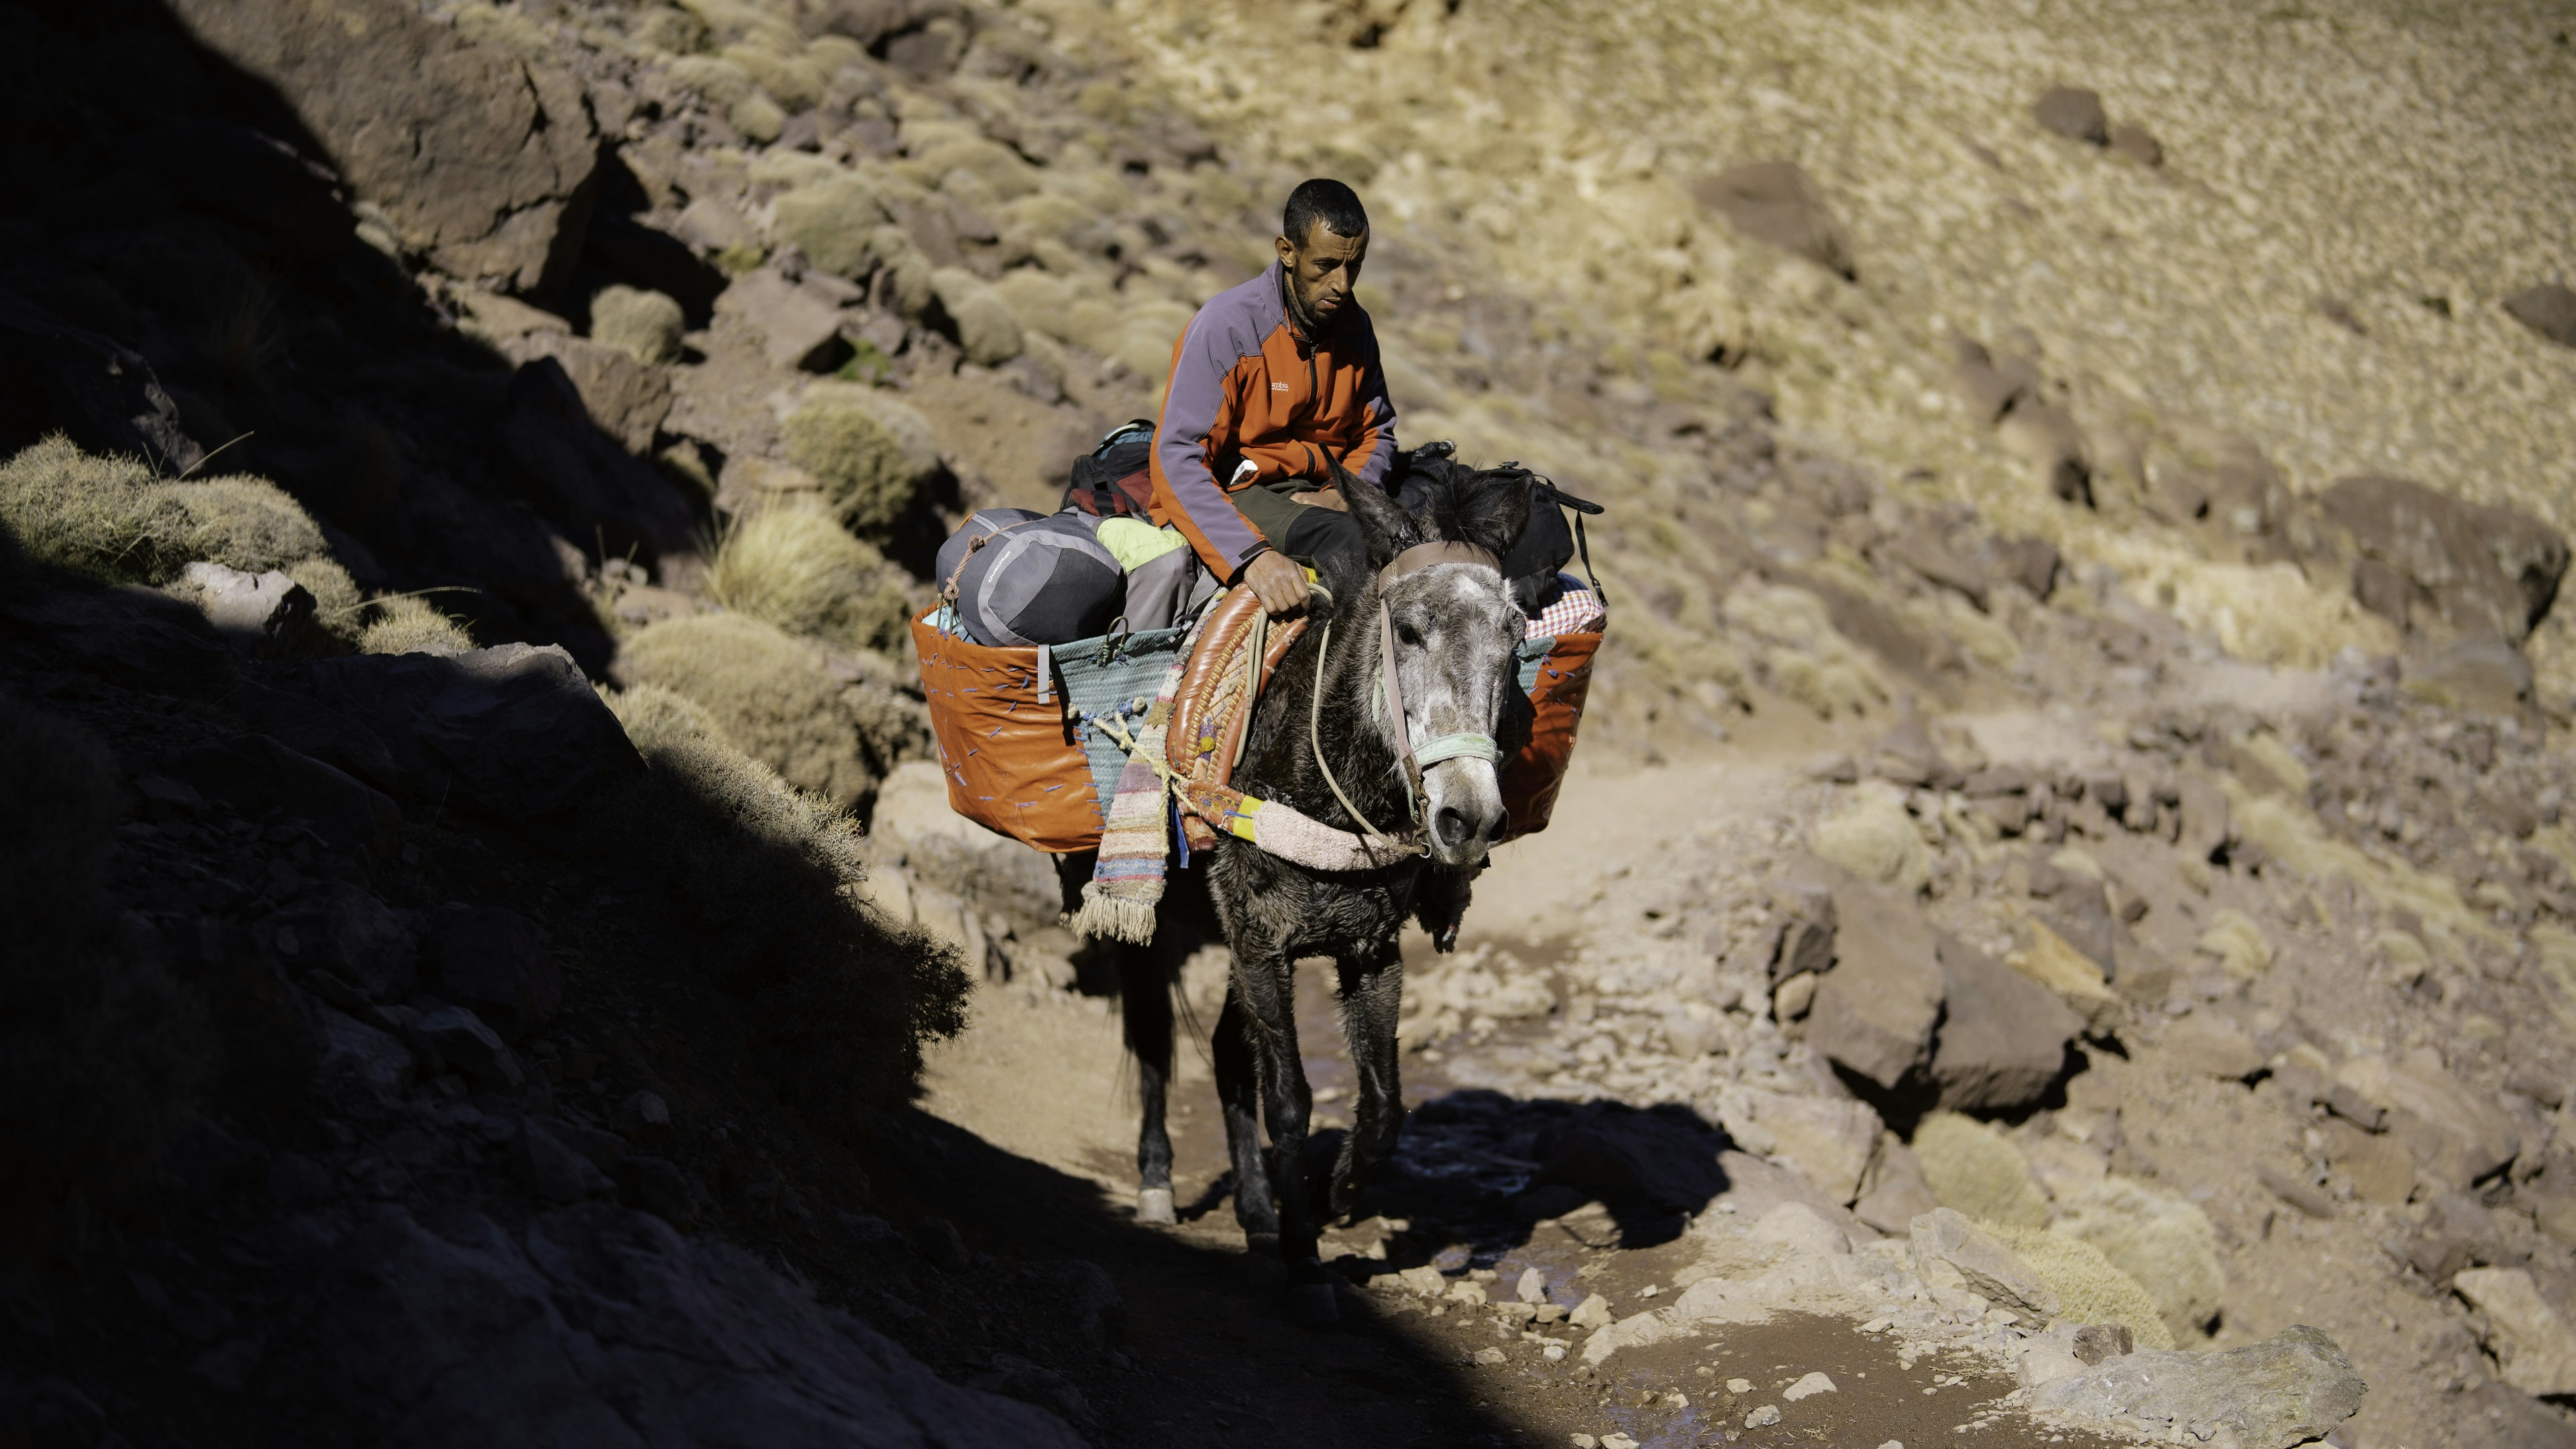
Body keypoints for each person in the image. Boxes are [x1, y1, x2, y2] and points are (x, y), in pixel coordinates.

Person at [1148, 179, 1393, 618]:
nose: (1341, 284)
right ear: (1287, 251)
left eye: (1353, 267)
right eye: (1325, 265)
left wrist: (1346, 495)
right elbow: (1176, 458)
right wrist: (1250, 557)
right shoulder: (1226, 327)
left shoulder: (1356, 328)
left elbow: (1377, 433)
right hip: (1239, 491)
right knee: (1356, 543)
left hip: (1328, 493)